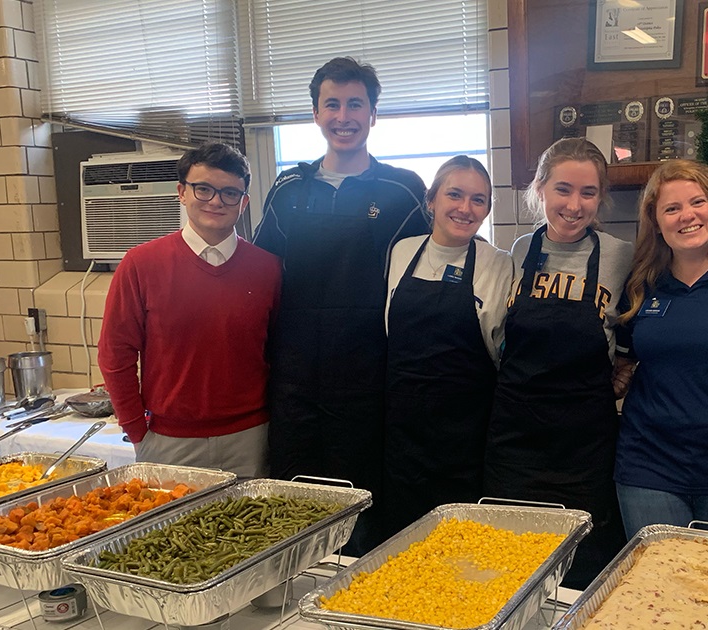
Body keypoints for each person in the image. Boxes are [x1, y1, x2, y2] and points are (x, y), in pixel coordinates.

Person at [252, 57, 429, 553]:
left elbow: (424, 280)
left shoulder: (403, 190)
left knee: (362, 512)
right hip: (294, 381)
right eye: (332, 103)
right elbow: (262, 278)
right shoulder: (290, 188)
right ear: (315, 113)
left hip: (369, 379)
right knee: (293, 509)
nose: (344, 115)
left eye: (356, 103)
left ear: (373, 114)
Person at [484, 138, 633, 589]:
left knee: (581, 565)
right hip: (515, 439)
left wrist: (625, 364)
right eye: (563, 189)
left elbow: (635, 327)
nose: (574, 204)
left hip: (583, 444)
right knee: (507, 559)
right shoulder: (519, 251)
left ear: (600, 198)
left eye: (588, 193)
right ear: (541, 189)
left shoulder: (621, 254)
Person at [99, 143, 281, 479]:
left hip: (251, 439)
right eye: (204, 189)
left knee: (252, 530)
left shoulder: (268, 269)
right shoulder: (140, 264)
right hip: (169, 441)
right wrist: (138, 430)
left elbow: (279, 353)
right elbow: (115, 355)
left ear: (244, 202)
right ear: (182, 192)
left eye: (229, 193)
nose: (216, 201)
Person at [612, 160, 708, 537]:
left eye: (697, 202)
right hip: (648, 465)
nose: (686, 216)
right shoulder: (643, 281)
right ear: (657, 222)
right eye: (671, 209)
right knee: (658, 590)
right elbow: (623, 361)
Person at [383, 156, 513, 534]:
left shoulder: (498, 263)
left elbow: (502, 347)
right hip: (402, 438)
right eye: (454, 194)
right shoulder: (402, 252)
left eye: (479, 199)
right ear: (431, 200)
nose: (465, 208)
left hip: (466, 439)